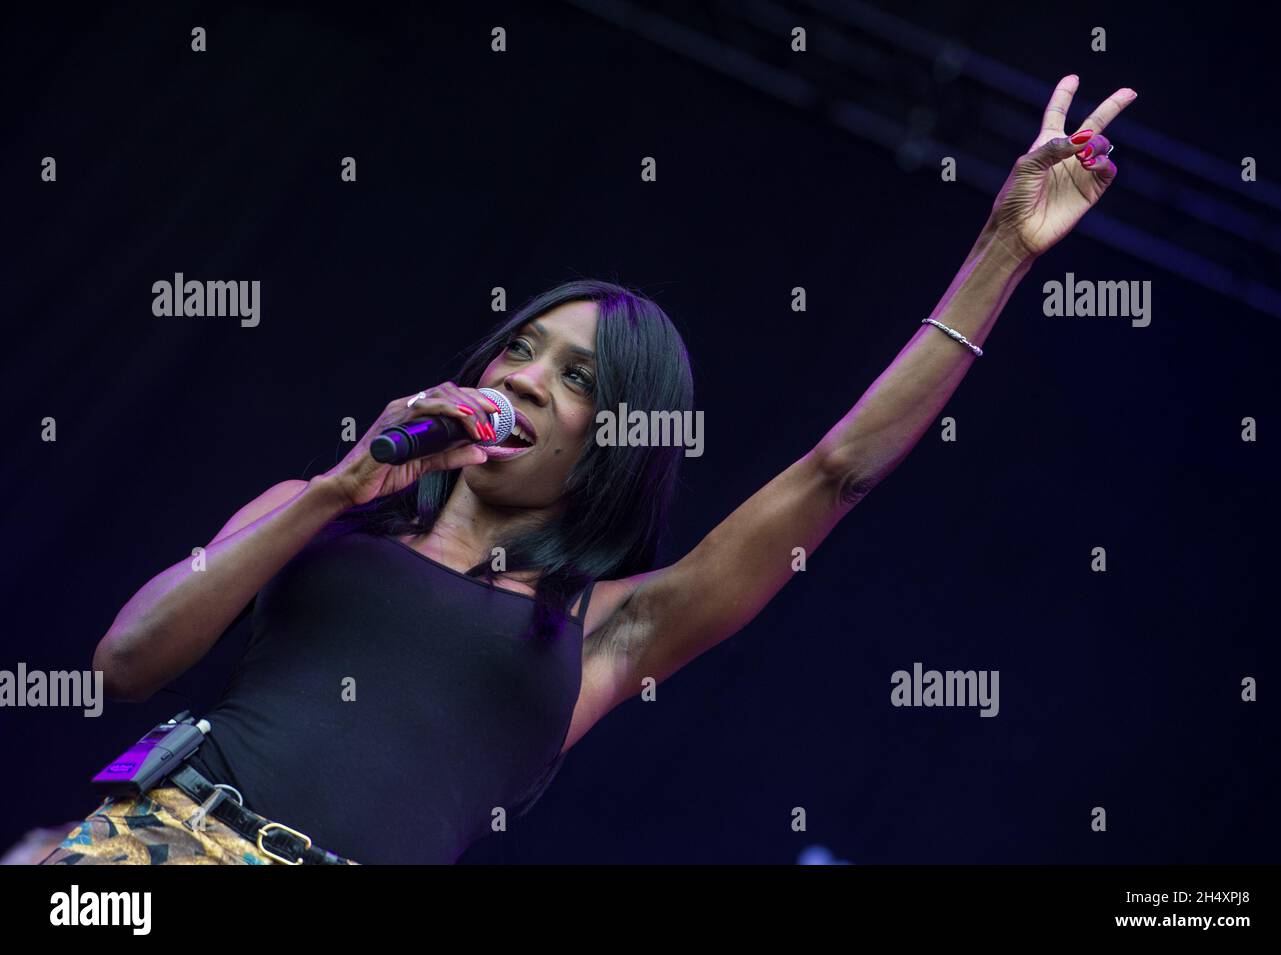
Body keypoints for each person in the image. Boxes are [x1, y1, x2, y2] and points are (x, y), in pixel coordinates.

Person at [38, 75, 1133, 865]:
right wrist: (337, 487)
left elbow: (837, 469)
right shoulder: (318, 511)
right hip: (142, 856)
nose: (522, 377)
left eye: (573, 378)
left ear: (614, 438)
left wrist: (998, 252)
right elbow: (128, 659)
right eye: (518, 347)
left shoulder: (607, 628)